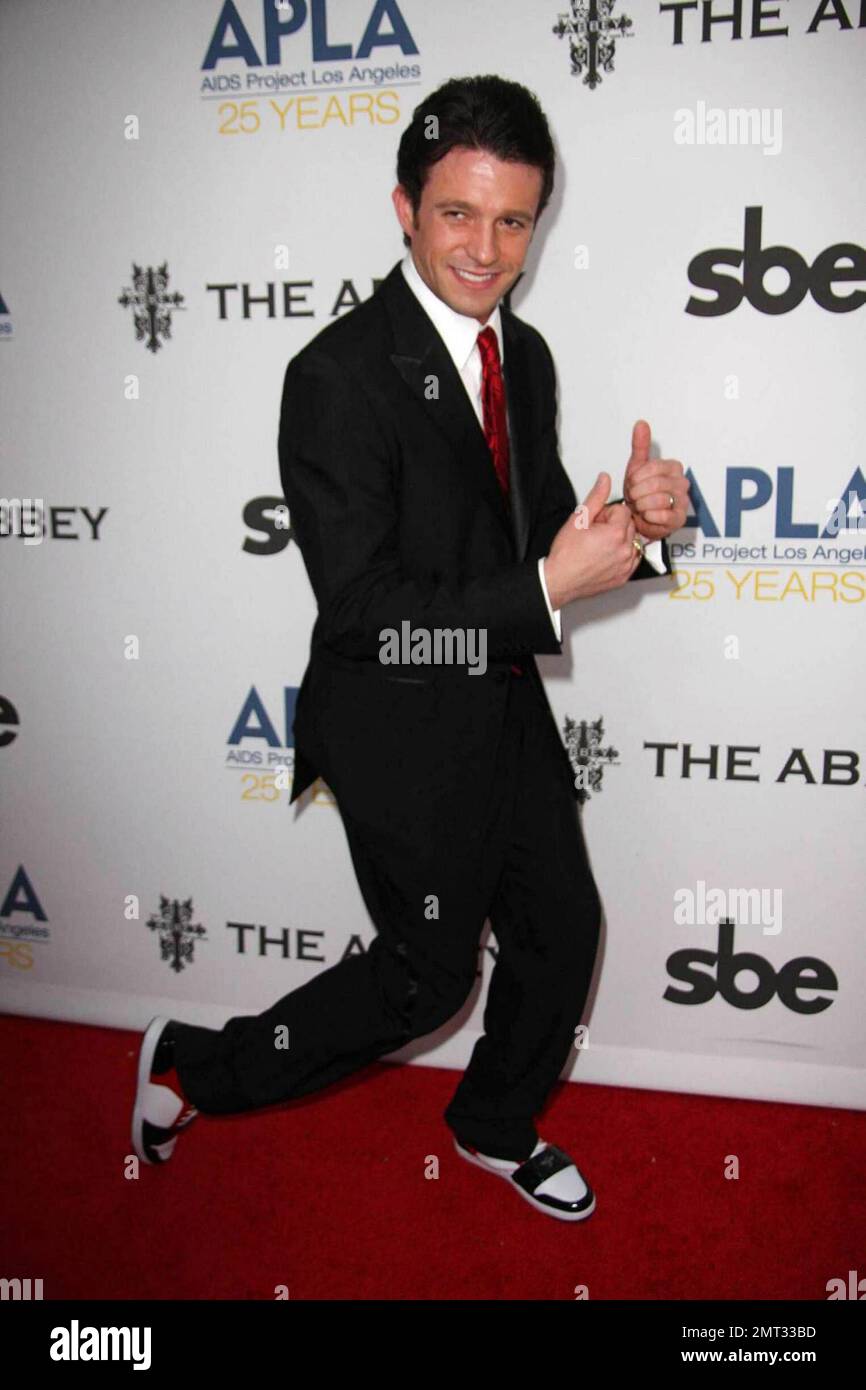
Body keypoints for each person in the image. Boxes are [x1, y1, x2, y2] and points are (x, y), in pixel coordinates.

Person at [131, 74, 689, 1222]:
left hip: (496, 701)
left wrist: (628, 533)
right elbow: (366, 612)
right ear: (402, 206)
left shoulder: (519, 357)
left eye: (512, 219)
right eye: (456, 213)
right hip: (391, 722)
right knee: (425, 976)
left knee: (562, 925)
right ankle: (191, 1064)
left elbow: (526, 536)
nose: (484, 249)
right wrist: (544, 586)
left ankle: (490, 1122)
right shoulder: (334, 377)